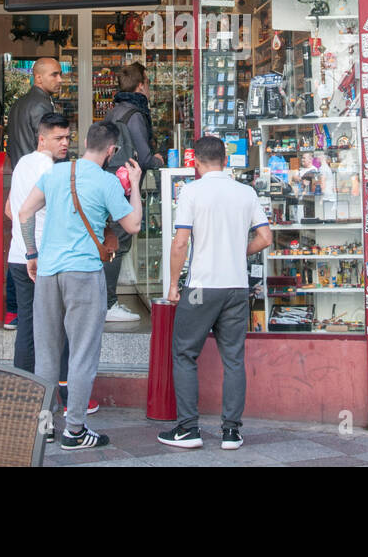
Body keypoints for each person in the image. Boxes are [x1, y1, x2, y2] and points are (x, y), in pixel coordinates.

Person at [19, 121, 142, 450]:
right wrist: (137, 187)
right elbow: (133, 223)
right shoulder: (107, 182)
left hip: (47, 272)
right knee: (82, 354)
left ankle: (44, 426)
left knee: (45, 354)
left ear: (86, 142)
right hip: (84, 274)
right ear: (111, 151)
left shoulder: (56, 173)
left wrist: (32, 252)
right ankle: (74, 430)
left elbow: (25, 211)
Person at [159, 136, 271, 451]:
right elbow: (265, 237)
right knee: (233, 359)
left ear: (195, 161)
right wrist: (239, 252)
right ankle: (232, 432)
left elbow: (181, 242)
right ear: (225, 160)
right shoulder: (245, 192)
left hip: (200, 289)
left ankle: (188, 429)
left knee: (184, 353)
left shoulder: (192, 192)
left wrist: (172, 285)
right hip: (236, 287)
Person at [2, 56, 63, 329]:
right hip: (35, 180)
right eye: (54, 75)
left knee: (18, 240)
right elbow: (46, 146)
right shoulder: (40, 105)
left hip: (20, 174)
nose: (60, 79)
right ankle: (21, 311)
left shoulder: (19, 103)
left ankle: (12, 310)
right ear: (38, 78)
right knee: (32, 245)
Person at [102, 61, 165, 322]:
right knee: (118, 241)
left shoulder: (113, 111)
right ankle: (109, 303)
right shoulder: (136, 115)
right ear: (141, 86)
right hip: (125, 184)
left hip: (110, 180)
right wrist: (158, 160)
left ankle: (106, 299)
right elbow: (145, 155)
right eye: (147, 84)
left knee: (111, 239)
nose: (148, 89)